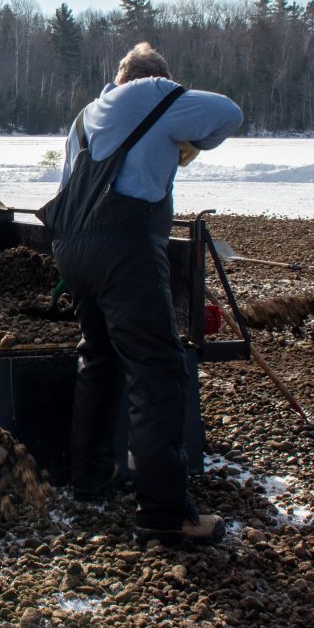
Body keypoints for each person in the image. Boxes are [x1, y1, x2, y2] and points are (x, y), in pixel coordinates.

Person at [43, 41, 243, 548]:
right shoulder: (157, 93)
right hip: (125, 251)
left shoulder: (87, 114)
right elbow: (228, 113)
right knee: (158, 374)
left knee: (101, 360)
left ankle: (88, 483)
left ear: (118, 76)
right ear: (157, 78)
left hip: (72, 249)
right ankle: (164, 515)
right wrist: (196, 142)